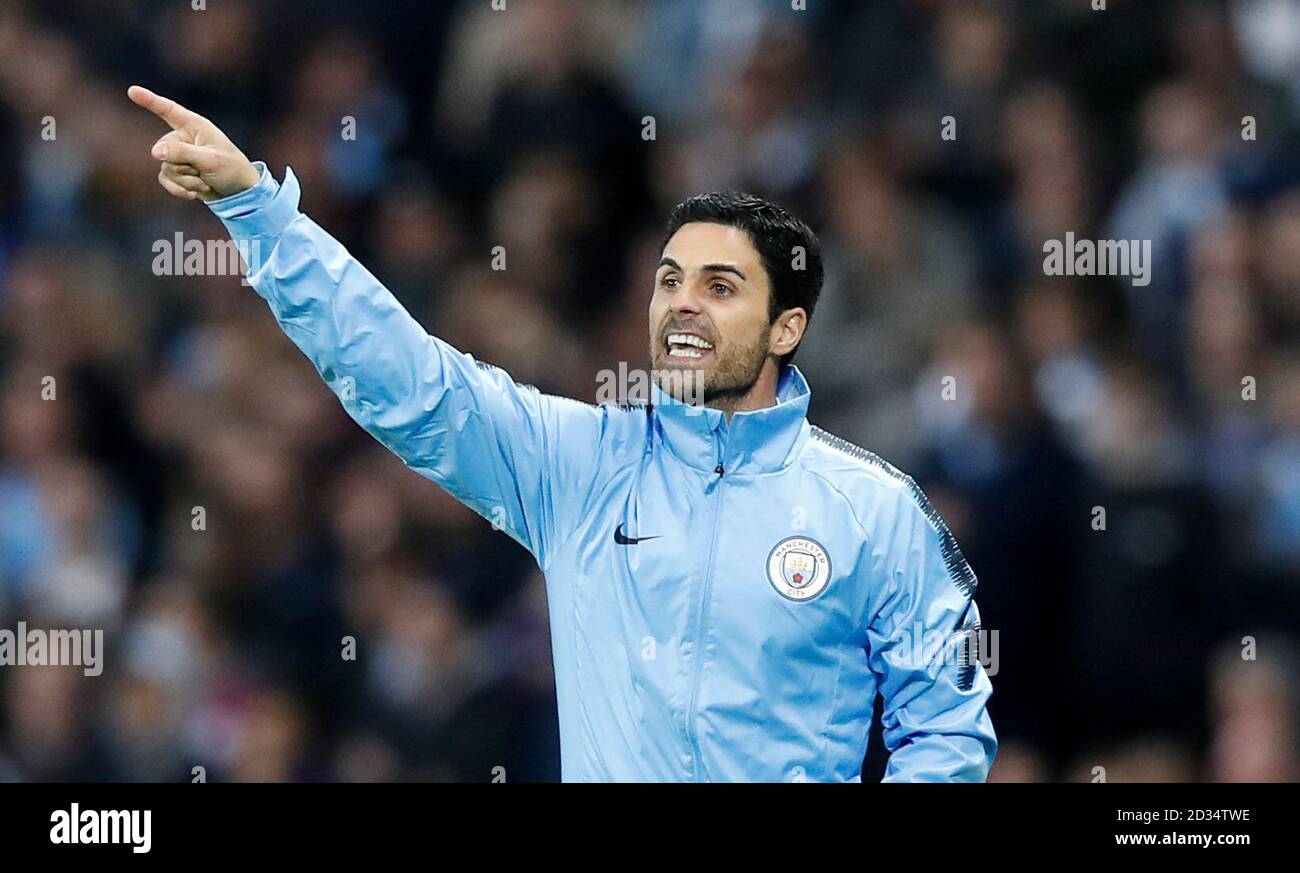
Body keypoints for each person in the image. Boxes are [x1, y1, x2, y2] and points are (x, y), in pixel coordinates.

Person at [127, 85, 996, 782]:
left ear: (786, 328)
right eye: (669, 280)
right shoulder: (580, 465)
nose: (683, 303)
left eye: (720, 286)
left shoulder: (875, 510)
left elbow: (950, 726)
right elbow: (410, 380)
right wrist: (260, 212)